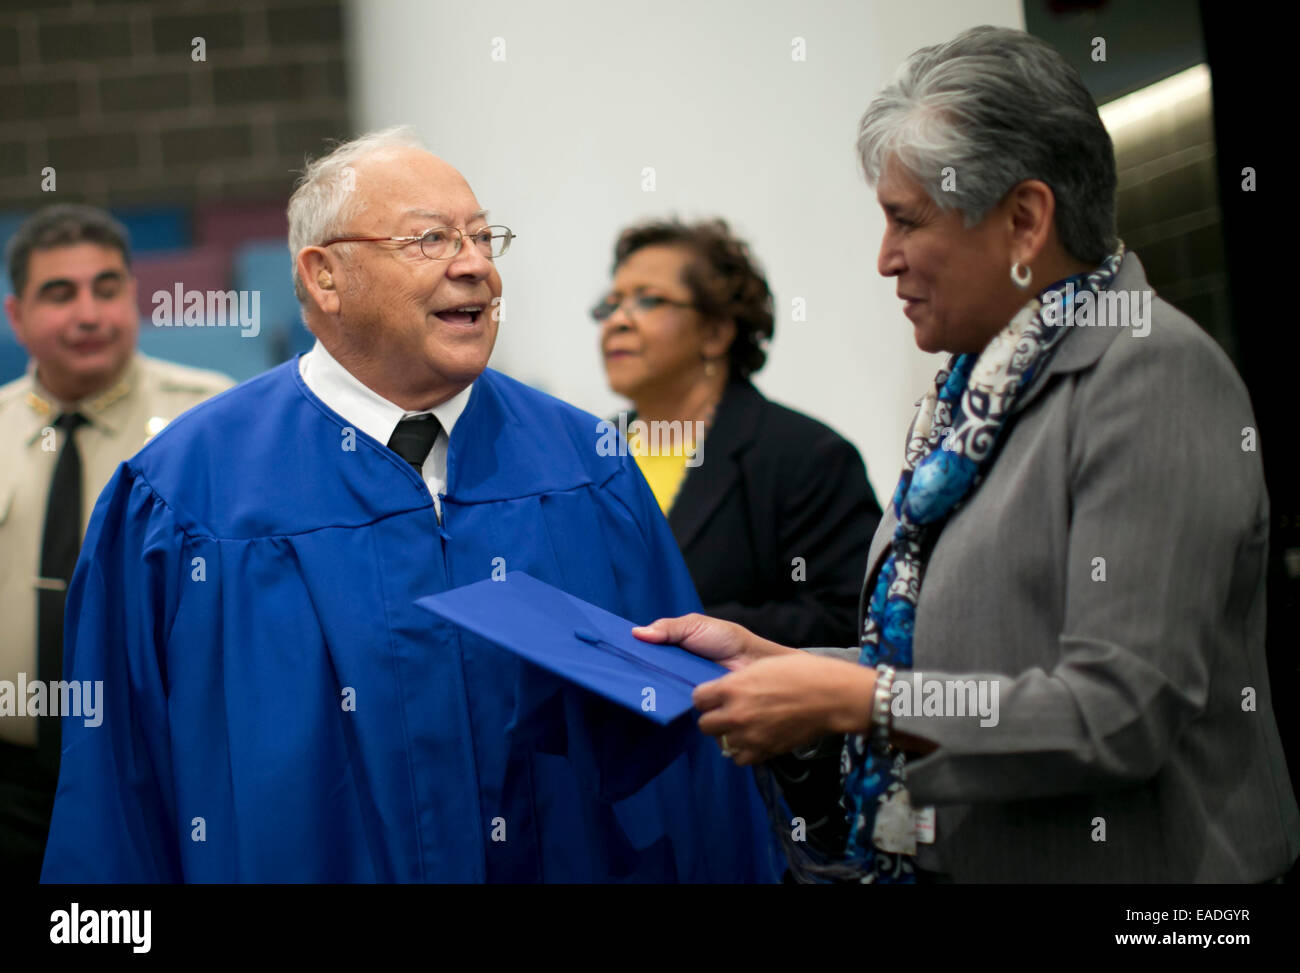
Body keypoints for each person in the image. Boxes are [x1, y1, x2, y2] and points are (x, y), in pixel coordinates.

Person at [634, 26, 1300, 883]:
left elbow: (1116, 714)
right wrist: (780, 663)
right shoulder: (973, 396)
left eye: (906, 221)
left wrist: (855, 701)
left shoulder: (1149, 372)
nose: (884, 260)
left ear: (1024, 220)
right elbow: (952, 668)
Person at [39, 127, 780, 883]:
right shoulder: (181, 497)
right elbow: (116, 797)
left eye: (484, 237)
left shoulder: (586, 468)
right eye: (429, 239)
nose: (475, 266)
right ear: (325, 276)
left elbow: (691, 763)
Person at [0, 204, 233, 880]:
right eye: (60, 293)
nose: (89, 314)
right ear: (17, 317)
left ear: (132, 296)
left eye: (107, 288)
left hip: (150, 771)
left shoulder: (207, 420)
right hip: (10, 781)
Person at [595, 218, 881, 649]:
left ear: (715, 332)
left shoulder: (805, 455)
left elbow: (850, 618)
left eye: (648, 301)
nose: (617, 321)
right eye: (610, 304)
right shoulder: (589, 448)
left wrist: (685, 626)